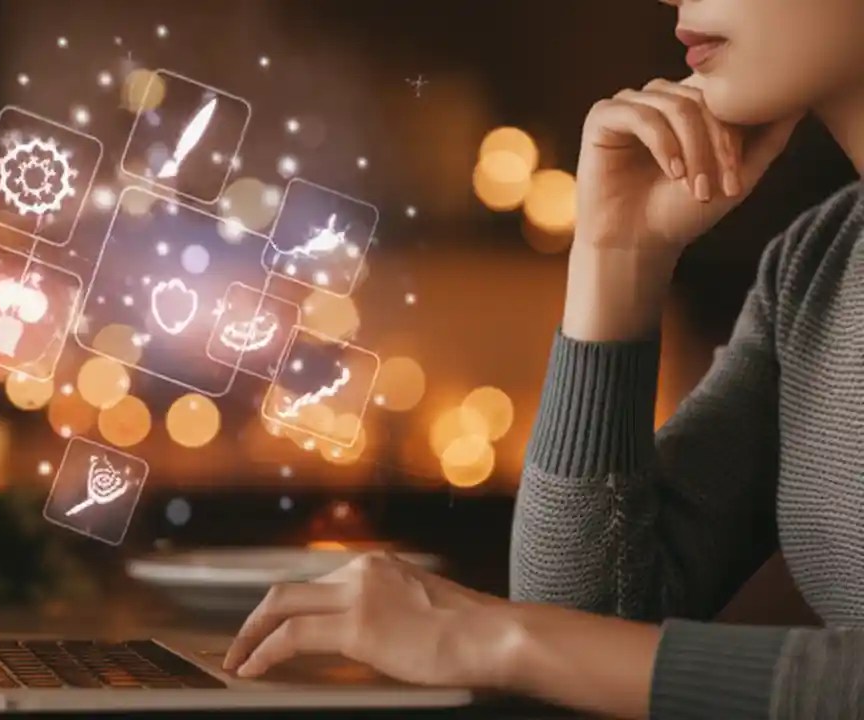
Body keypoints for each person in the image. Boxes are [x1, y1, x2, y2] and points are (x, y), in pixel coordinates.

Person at [222, 0, 864, 717]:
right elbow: (590, 618)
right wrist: (616, 255)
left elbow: (552, 640)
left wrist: (499, 638)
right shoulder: (817, 269)